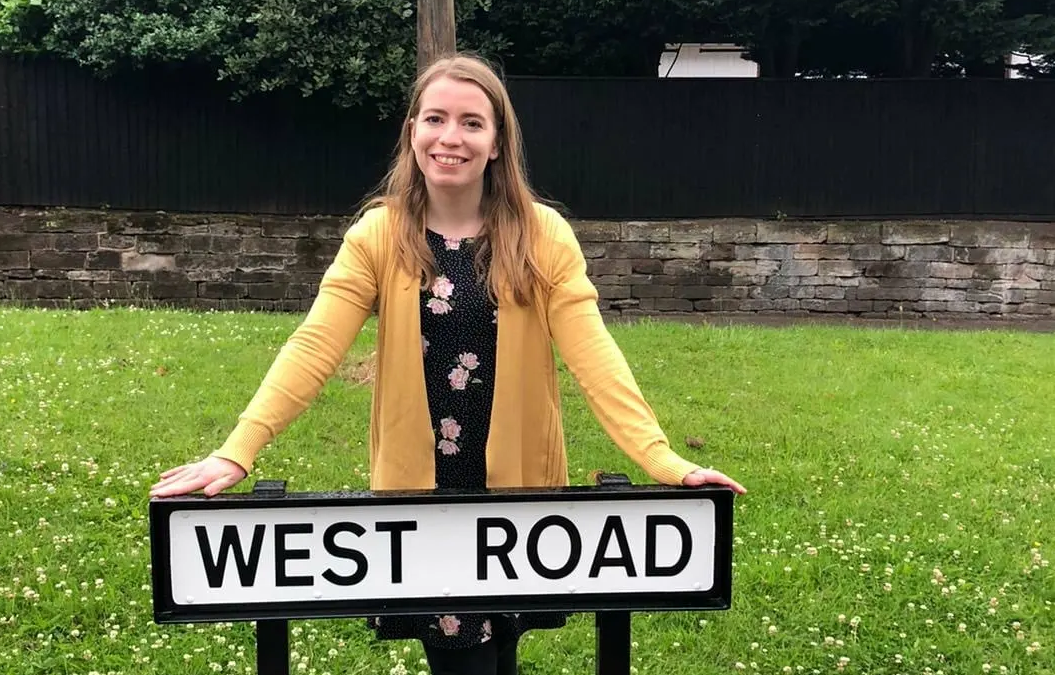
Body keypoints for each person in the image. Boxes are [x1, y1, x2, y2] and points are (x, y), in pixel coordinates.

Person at [150, 52, 746, 675]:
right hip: (424, 501)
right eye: (435, 118)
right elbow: (314, 346)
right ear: (412, 132)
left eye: (471, 122)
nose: (450, 137)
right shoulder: (378, 235)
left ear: (496, 143)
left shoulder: (543, 236)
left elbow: (594, 354)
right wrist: (236, 450)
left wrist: (662, 460)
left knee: (501, 651)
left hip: (516, 498)